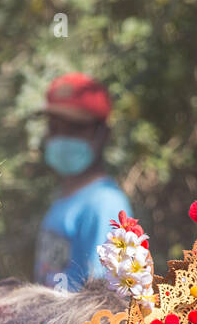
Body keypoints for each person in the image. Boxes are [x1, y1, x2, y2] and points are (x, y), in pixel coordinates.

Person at [33, 74, 135, 291]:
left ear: (103, 134)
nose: (62, 137)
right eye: (54, 127)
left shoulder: (106, 204)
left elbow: (106, 301)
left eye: (75, 128)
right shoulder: (64, 197)